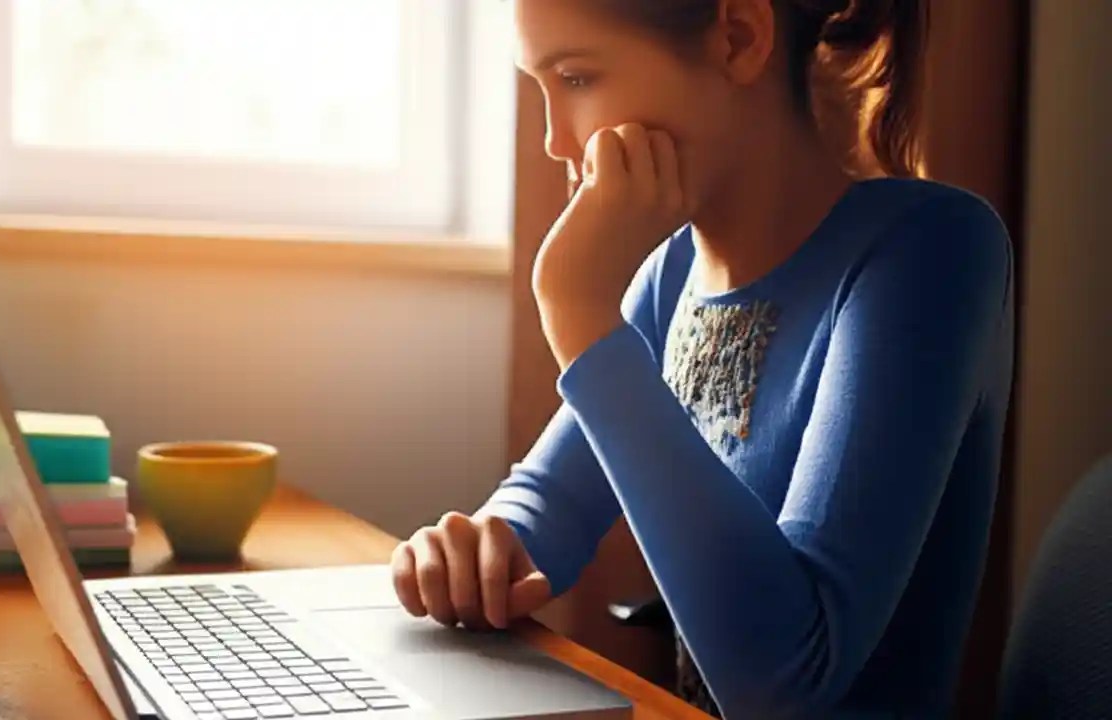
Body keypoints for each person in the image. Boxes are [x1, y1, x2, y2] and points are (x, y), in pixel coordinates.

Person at [391, 0, 1014, 717]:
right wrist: (469, 555)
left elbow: (785, 679)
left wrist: (580, 313)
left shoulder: (927, 254)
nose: (556, 142)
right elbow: (543, 514)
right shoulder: (670, 275)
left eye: (577, 79)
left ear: (739, 38)